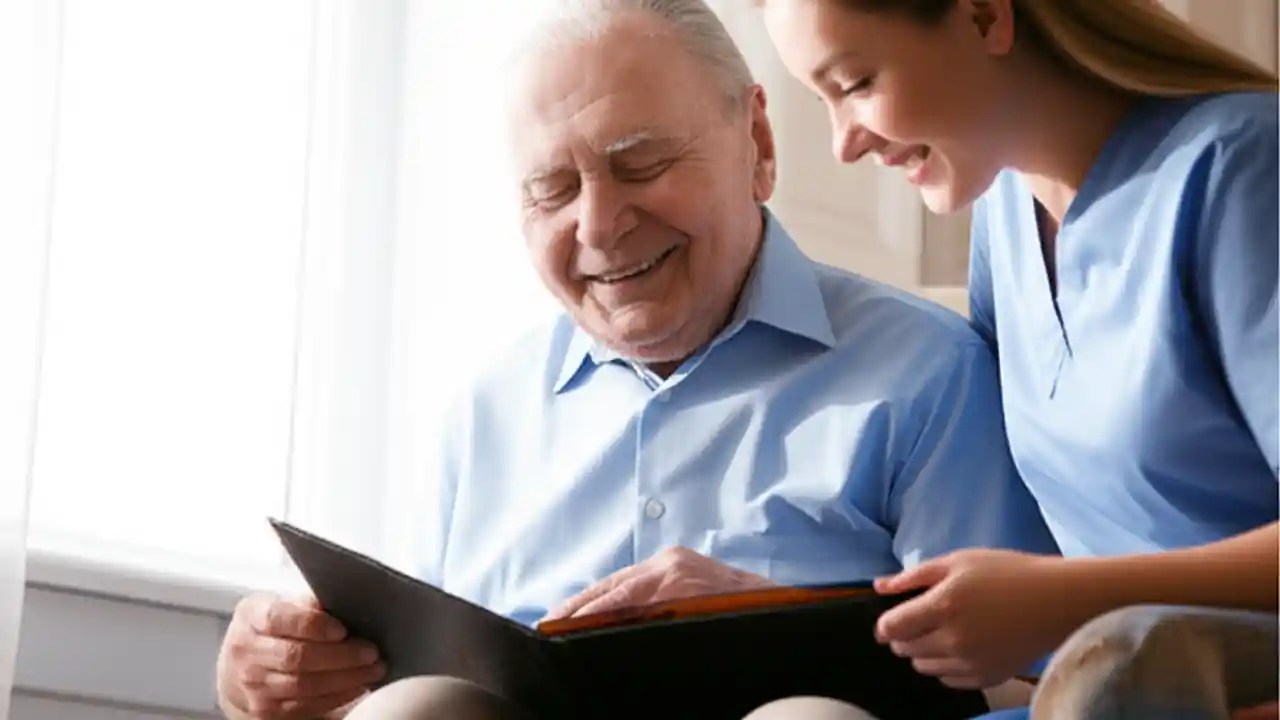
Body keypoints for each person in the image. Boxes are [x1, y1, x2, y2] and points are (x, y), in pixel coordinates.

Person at [214, 1, 1060, 718]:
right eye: (552, 189)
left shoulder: (930, 374)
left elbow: (1023, 688)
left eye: (641, 163)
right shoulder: (485, 417)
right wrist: (287, 677)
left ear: (757, 142)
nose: (597, 225)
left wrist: (776, 630)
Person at [750, 0, 1279, 718]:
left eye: (856, 82)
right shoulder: (1004, 213)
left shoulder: (1239, 172)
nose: (844, 143)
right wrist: (764, 608)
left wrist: (1063, 604)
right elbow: (1004, 561)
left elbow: (1051, 604)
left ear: (982, 16)